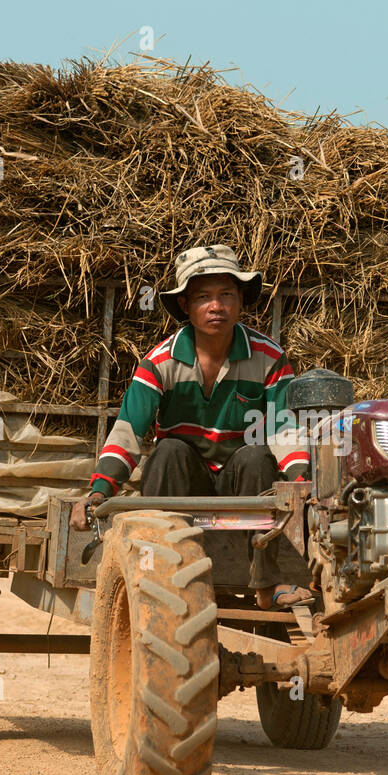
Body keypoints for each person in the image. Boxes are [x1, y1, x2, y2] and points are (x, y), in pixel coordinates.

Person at [70, 244, 313, 609]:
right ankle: (161, 575)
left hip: (241, 483)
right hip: (184, 481)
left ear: (240, 300)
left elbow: (284, 429)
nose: (217, 307)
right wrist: (99, 490)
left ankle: (265, 584)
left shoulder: (268, 357)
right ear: (185, 306)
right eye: (204, 297)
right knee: (167, 451)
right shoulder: (160, 362)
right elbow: (129, 432)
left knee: (258, 456)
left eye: (227, 295)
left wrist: (300, 482)